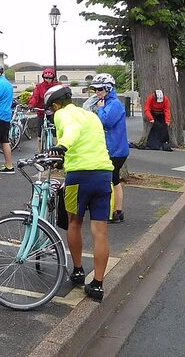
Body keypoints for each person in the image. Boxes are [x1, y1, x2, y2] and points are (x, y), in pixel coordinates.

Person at [46, 84, 114, 302]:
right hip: (104, 175)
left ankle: (77, 271)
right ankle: (98, 285)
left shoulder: (62, 114)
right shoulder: (91, 115)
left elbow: (71, 130)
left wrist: (61, 146)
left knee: (75, 222)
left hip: (79, 177)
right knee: (100, 230)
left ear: (56, 105)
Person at [89, 74, 129, 223]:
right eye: (95, 89)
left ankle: (114, 212)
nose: (97, 92)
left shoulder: (115, 104)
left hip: (115, 149)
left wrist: (100, 109)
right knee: (114, 179)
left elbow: (106, 122)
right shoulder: (108, 102)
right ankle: (117, 210)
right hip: (114, 148)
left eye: (99, 89)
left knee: (111, 180)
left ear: (108, 88)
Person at [29, 68, 59, 147]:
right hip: (41, 111)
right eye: (46, 78)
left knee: (54, 131)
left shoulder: (56, 86)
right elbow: (35, 97)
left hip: (53, 110)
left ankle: (55, 150)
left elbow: (60, 97)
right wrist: (31, 105)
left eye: (50, 78)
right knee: (39, 132)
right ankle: (39, 152)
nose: (48, 80)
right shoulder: (39, 87)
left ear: (53, 78)